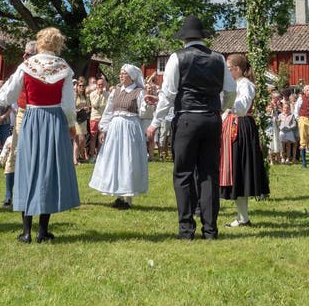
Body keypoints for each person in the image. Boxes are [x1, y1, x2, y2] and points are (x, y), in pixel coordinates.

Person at [146, 15, 236, 241]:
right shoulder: (218, 58)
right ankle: (210, 230)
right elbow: (232, 89)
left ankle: (186, 230)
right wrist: (221, 107)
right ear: (203, 37)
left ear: (184, 38)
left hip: (187, 118)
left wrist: (156, 122)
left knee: (184, 173)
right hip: (211, 118)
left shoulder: (178, 58)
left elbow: (168, 95)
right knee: (208, 174)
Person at [0, 27, 79, 242]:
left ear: (39, 42)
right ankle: (42, 231)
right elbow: (68, 104)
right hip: (55, 119)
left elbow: (9, 94)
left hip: (31, 118)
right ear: (58, 44)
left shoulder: (27, 65)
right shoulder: (64, 67)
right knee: (48, 170)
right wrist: (70, 124)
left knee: (27, 169)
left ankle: (26, 231)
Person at [89, 64, 149, 209]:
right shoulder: (115, 91)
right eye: (121, 73)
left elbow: (143, 113)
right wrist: (103, 129)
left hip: (130, 129)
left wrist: (148, 105)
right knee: (115, 160)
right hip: (115, 129)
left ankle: (128, 198)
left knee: (128, 160)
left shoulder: (139, 92)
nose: (121, 76)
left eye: (124, 74)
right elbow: (109, 111)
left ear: (132, 76)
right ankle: (119, 196)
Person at [220, 54, 269, 228]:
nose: (227, 71)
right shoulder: (233, 85)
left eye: (229, 68)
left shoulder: (246, 85)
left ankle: (243, 217)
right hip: (231, 126)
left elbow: (242, 108)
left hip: (241, 128)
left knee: (240, 170)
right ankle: (242, 217)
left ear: (237, 69)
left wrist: (226, 102)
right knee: (235, 172)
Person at [2, 40, 37, 209]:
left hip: (39, 113)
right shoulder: (21, 69)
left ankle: (33, 191)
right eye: (25, 53)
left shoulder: (43, 69)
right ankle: (9, 194)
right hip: (23, 112)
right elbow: (9, 90)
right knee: (15, 151)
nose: (24, 56)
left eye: (28, 54)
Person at [294, 83, 309, 167]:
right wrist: (298, 119)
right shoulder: (300, 99)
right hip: (303, 119)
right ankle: (304, 161)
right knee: (303, 141)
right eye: (307, 90)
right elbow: (296, 109)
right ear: (304, 91)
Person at [89, 76, 109, 161]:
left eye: (102, 84)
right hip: (94, 117)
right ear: (96, 85)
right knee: (93, 137)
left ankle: (99, 156)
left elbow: (107, 106)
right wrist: (99, 95)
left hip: (103, 118)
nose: (100, 86)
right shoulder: (92, 94)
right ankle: (92, 155)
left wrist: (102, 94)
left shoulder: (107, 94)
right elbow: (94, 105)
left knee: (101, 137)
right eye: (99, 85)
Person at [73, 77, 90, 165]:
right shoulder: (75, 95)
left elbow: (88, 107)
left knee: (82, 140)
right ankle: (75, 159)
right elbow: (72, 108)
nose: (81, 87)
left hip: (83, 119)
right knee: (78, 139)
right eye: (80, 85)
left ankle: (79, 156)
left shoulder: (85, 96)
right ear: (77, 86)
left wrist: (86, 109)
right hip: (76, 119)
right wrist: (79, 109)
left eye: (83, 86)